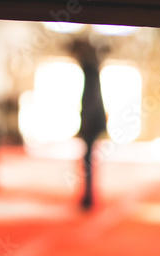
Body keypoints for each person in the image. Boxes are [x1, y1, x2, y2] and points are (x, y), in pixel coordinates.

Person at [70, 38, 107, 210]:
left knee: (87, 160)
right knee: (88, 159)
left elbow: (91, 98)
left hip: (92, 121)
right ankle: (88, 197)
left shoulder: (89, 68)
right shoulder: (92, 67)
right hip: (94, 119)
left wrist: (86, 120)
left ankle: (88, 198)